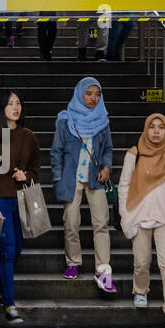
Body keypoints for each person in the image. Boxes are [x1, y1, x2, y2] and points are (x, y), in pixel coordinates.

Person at [118, 113, 165, 328]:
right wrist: (126, 216)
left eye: (161, 127)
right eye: (152, 127)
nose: (156, 131)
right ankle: (140, 290)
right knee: (142, 261)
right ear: (145, 129)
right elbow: (124, 187)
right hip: (139, 216)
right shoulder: (134, 154)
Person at [0, 90, 41, 326]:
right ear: (1, 108)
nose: (15, 108)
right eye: (10, 104)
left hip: (22, 201)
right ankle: (10, 305)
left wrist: (25, 175)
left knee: (16, 252)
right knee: (8, 251)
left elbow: (36, 170)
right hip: (1, 202)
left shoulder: (29, 137)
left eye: (18, 104)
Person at [51, 77, 116, 293]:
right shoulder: (65, 120)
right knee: (71, 221)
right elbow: (56, 152)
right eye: (88, 94)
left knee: (101, 223)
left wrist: (107, 167)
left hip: (96, 179)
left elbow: (108, 149)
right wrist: (58, 178)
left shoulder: (103, 120)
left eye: (97, 94)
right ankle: (73, 262)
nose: (93, 98)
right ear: (80, 93)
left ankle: (103, 269)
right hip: (71, 179)